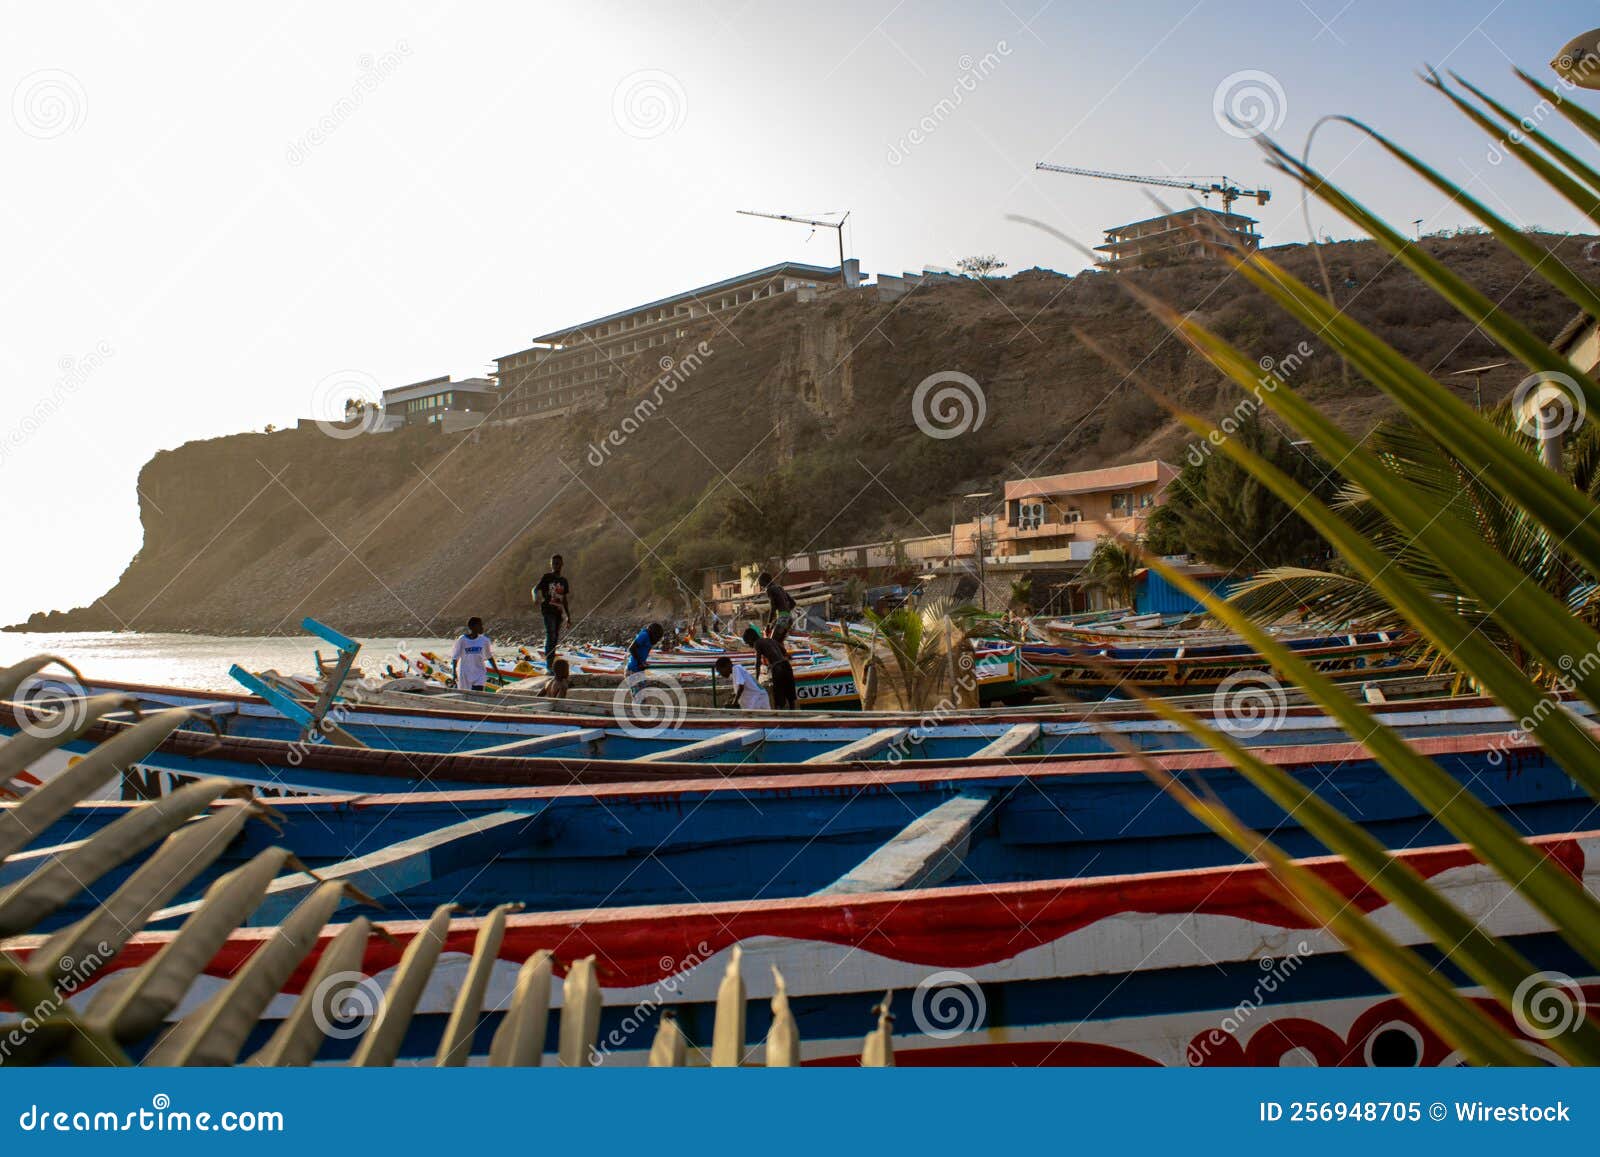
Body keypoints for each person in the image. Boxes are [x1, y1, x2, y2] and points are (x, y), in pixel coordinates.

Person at [742, 624, 796, 710]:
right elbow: (784, 652)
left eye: (748, 643)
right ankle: (794, 716)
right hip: (787, 665)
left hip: (777, 668)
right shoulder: (770, 640)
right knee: (790, 695)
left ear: (750, 640)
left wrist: (756, 679)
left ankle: (779, 718)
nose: (749, 645)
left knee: (779, 695)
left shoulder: (757, 643)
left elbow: (758, 662)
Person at [533, 554, 572, 670]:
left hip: (558, 612)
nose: (556, 566)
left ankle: (550, 662)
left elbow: (564, 600)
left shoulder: (564, 581)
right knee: (551, 634)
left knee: (555, 638)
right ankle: (549, 666)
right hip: (547, 610)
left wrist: (568, 617)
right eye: (554, 563)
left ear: (562, 564)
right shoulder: (547, 577)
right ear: (551, 565)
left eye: (558, 563)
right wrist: (535, 597)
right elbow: (535, 589)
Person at [450, 617, 502, 691]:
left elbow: (489, 657)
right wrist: (454, 673)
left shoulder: (485, 640)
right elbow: (455, 658)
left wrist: (498, 673)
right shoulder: (462, 640)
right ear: (472, 627)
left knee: (478, 693)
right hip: (465, 674)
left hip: (479, 673)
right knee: (466, 697)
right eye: (479, 625)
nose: (482, 627)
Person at [758, 572, 797, 642]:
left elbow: (773, 608)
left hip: (783, 619)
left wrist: (768, 625)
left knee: (773, 642)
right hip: (789, 618)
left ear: (764, 581)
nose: (760, 585)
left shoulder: (769, 589)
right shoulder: (779, 587)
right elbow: (793, 603)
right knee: (778, 643)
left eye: (760, 582)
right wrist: (785, 612)